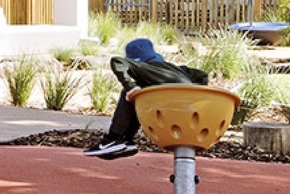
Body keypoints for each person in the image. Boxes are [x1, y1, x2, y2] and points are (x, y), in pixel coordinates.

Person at [83, 37, 211, 159]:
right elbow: (202, 75)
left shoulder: (144, 67)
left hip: (169, 116)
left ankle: (114, 138)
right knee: (141, 93)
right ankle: (126, 141)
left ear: (136, 61)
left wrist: (130, 87)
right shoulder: (177, 69)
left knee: (132, 93)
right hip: (193, 116)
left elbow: (117, 61)